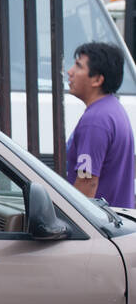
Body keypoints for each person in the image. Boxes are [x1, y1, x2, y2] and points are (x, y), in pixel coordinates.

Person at [65, 41, 135, 207]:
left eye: (78, 66)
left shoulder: (95, 121)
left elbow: (87, 180)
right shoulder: (113, 109)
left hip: (100, 226)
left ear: (97, 79)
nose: (70, 72)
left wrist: (71, 221)